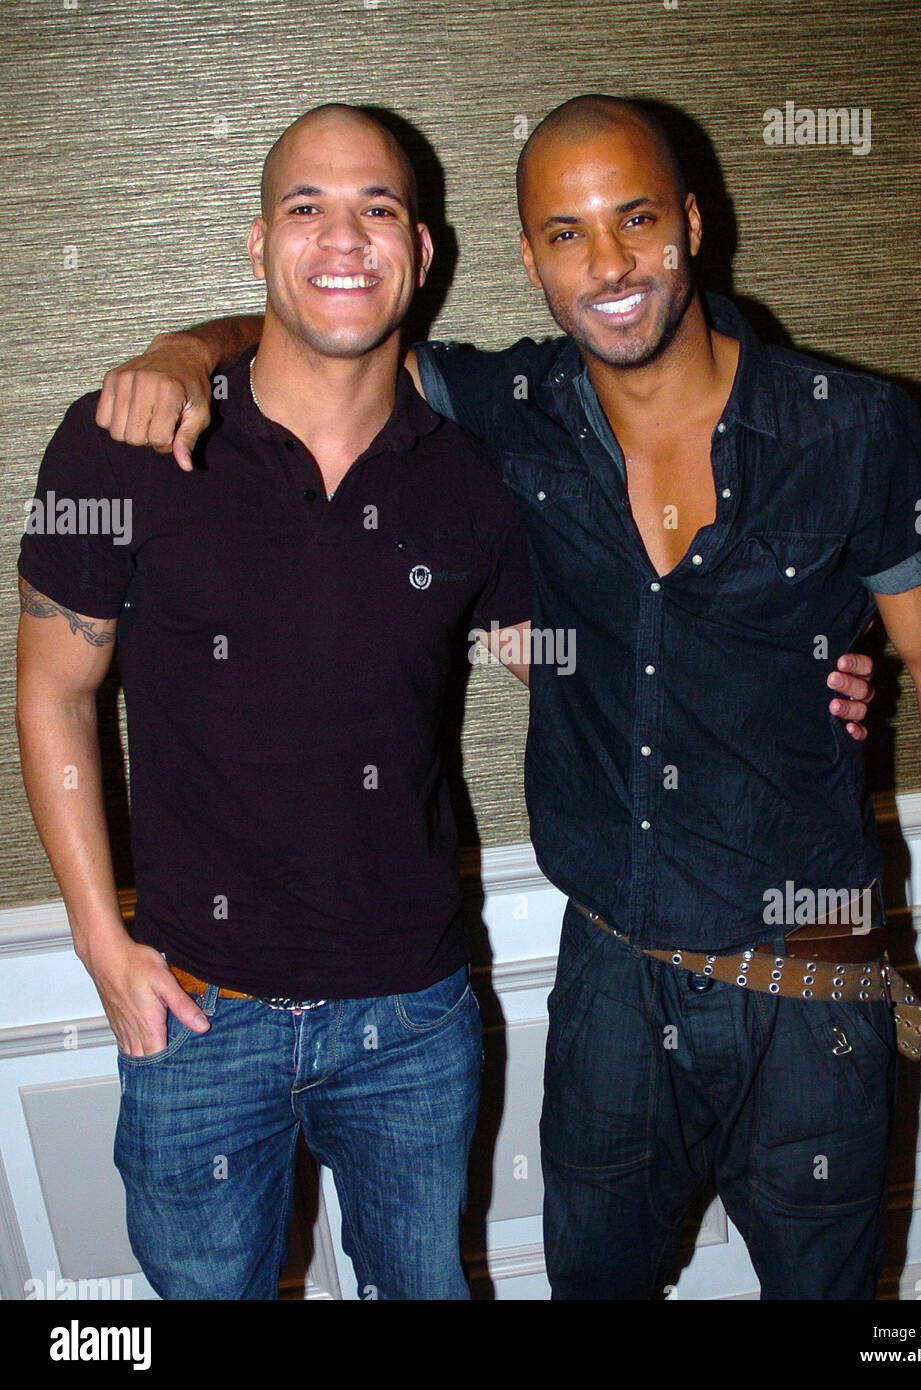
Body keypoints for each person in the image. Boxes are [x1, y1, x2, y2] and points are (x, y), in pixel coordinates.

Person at [88, 96, 921, 1302]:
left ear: (692, 226)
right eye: (565, 233)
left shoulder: (857, 427)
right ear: (526, 259)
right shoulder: (508, 414)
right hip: (614, 967)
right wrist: (182, 354)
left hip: (810, 987)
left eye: (635, 220)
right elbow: (329, 323)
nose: (606, 264)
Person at [16, 104, 534, 1301]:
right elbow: (54, 693)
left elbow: (565, 664)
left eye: (377, 209)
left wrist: (794, 666)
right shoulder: (126, 446)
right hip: (198, 1012)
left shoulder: (472, 483)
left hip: (411, 1014)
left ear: (423, 250)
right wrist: (102, 943)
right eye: (307, 206)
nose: (342, 236)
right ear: (258, 245)